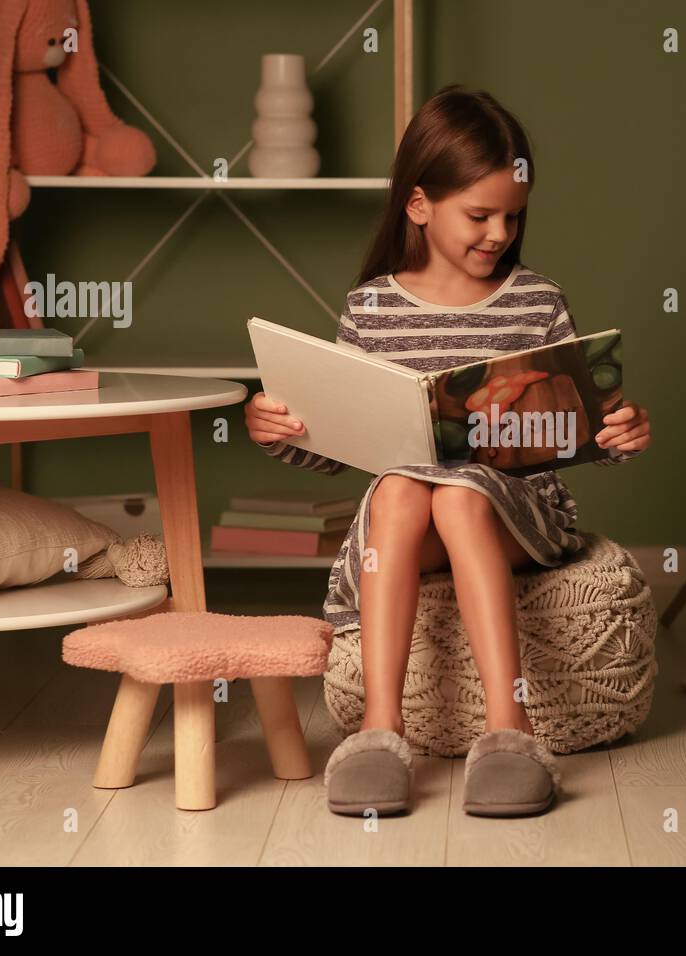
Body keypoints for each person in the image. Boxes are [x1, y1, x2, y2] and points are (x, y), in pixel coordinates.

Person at [244, 85, 650, 818]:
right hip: (407, 526)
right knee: (402, 488)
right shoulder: (371, 310)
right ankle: (378, 733)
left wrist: (617, 432)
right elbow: (335, 448)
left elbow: (574, 430)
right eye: (480, 214)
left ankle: (510, 730)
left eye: (513, 216)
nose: (498, 232)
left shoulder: (538, 302)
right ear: (419, 204)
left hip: (515, 514)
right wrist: (282, 431)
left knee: (461, 492)